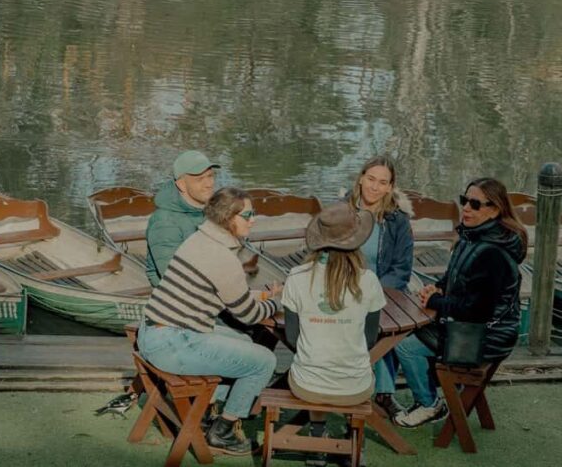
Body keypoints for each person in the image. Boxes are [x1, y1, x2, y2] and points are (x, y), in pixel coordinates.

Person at [138, 187, 281, 455]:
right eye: (248, 214)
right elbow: (248, 315)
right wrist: (277, 302)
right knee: (265, 360)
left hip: (155, 333)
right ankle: (224, 430)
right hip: (173, 345)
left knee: (242, 340)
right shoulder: (223, 257)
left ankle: (207, 410)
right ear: (228, 218)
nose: (254, 219)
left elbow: (222, 292)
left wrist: (260, 299)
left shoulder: (199, 239)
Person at [392, 177, 527, 427]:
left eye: (475, 204)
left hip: (487, 336)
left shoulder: (492, 254)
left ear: (495, 209)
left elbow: (477, 311)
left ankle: (429, 405)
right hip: (476, 329)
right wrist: (440, 287)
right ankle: (431, 398)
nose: (465, 208)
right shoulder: (473, 237)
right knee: (412, 334)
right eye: (465, 200)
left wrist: (437, 301)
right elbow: (457, 276)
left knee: (406, 346)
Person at [282, 202, 386, 466]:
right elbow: (370, 339)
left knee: (314, 367)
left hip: (307, 384)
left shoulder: (295, 277)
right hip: (355, 387)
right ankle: (353, 441)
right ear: (357, 240)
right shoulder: (369, 280)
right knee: (354, 371)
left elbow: (292, 339)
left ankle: (317, 438)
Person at [347, 155, 414, 420]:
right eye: (371, 179)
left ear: (390, 187)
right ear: (361, 178)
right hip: (345, 287)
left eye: (382, 182)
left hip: (383, 291)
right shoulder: (341, 211)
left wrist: (376, 295)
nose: (374, 187)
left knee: (385, 326)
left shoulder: (398, 220)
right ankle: (344, 381)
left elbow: (401, 268)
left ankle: (385, 393)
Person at [145, 150, 220, 286]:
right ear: (182, 185)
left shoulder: (210, 210)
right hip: (179, 298)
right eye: (200, 179)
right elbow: (175, 279)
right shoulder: (165, 222)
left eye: (210, 176)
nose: (209, 184)